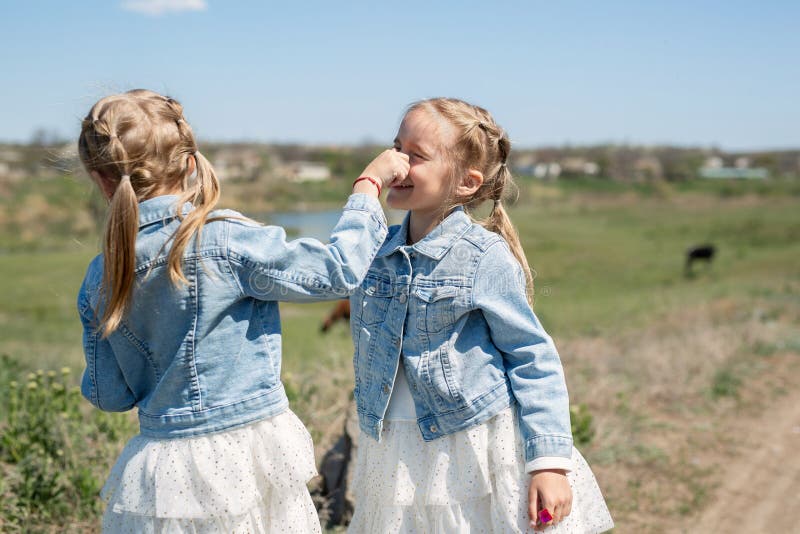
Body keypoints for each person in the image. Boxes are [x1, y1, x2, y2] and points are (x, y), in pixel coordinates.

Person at [76, 89, 408, 533]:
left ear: (100, 180)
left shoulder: (101, 275)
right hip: (246, 456)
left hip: (161, 470)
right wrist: (369, 187)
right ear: (190, 164)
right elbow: (339, 270)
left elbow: (110, 396)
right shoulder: (224, 241)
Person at [347, 98, 614, 533]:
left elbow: (532, 356)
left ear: (466, 183)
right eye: (395, 148)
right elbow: (329, 273)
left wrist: (549, 464)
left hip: (468, 445)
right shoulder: (375, 251)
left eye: (415, 156)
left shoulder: (482, 257)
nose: (395, 163)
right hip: (393, 444)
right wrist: (365, 190)